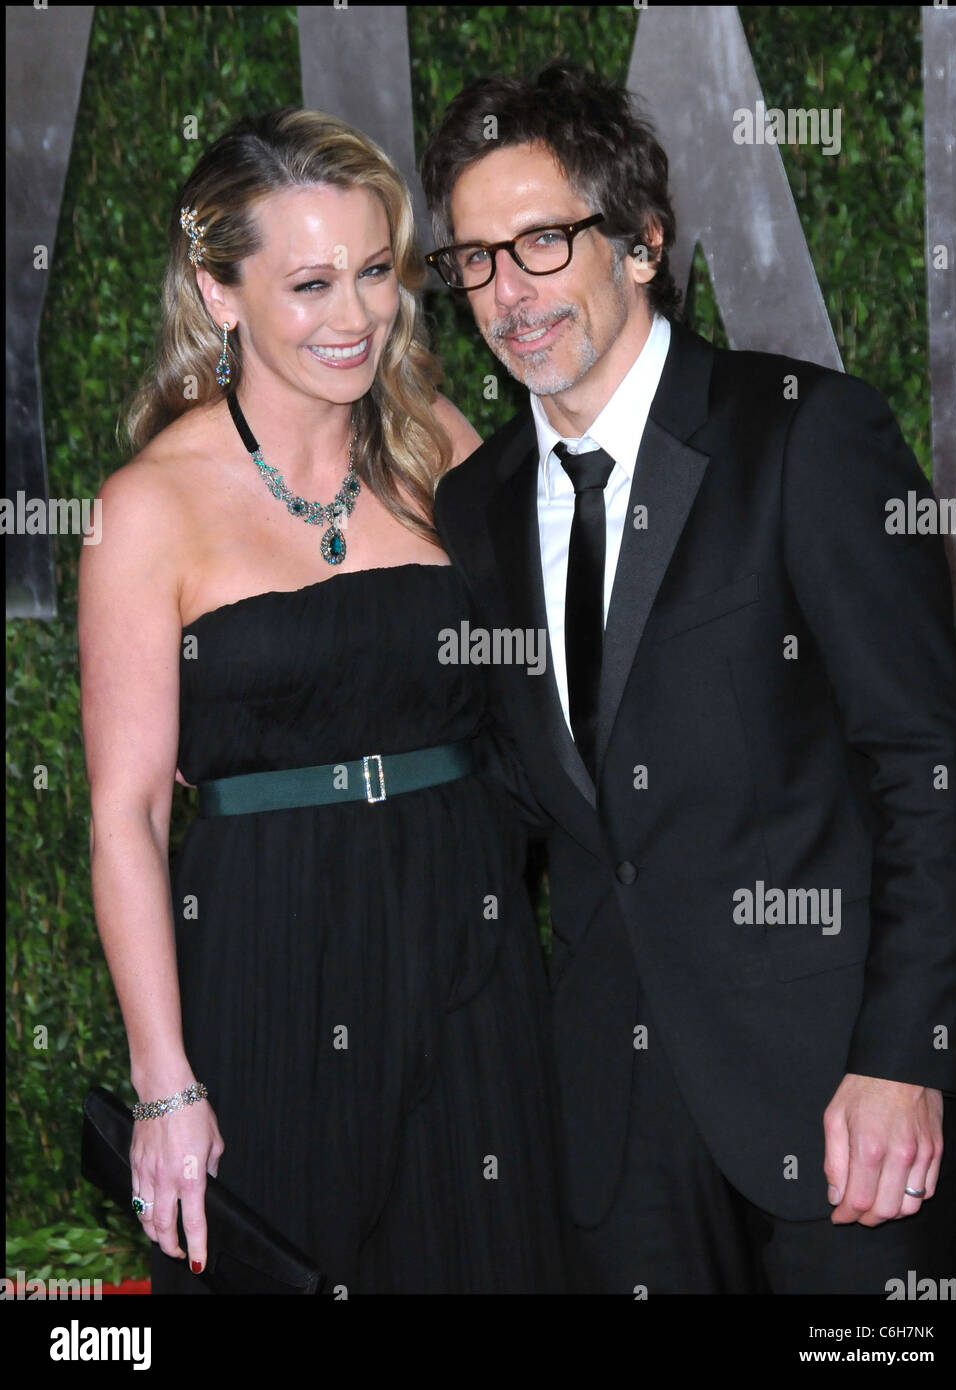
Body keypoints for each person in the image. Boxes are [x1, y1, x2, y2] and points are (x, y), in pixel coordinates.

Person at [420, 60, 956, 1295]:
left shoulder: (804, 434)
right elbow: (522, 801)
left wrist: (908, 1061)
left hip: (844, 1107)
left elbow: (928, 770)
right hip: (615, 1132)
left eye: (542, 242)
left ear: (639, 239)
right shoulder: (477, 506)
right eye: (474, 259)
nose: (508, 293)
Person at [79, 106, 569, 1295]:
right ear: (219, 291)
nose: (354, 319)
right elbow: (130, 813)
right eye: (308, 283)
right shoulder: (151, 506)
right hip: (265, 948)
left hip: (469, 941)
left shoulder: (442, 449)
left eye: (372, 273)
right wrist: (164, 1083)